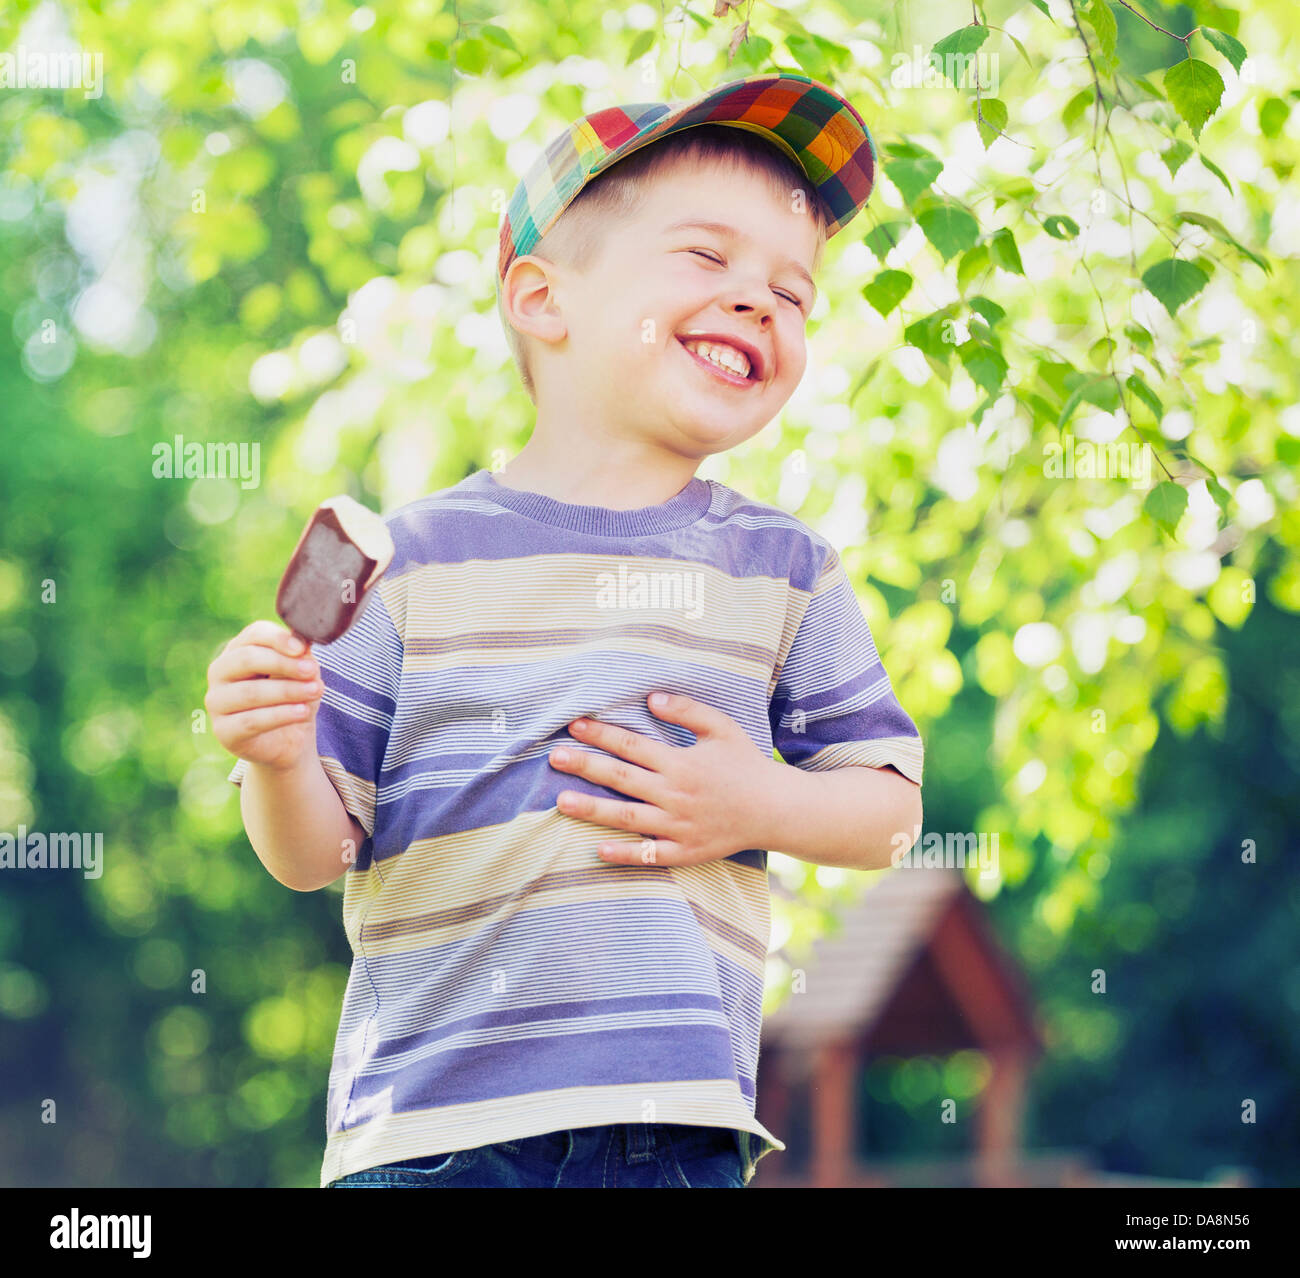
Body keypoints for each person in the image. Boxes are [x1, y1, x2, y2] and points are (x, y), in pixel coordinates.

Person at [206, 73, 925, 1189]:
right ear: (543, 300)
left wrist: (759, 805)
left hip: (674, 1135)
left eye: (793, 292)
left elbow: (888, 815)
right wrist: (277, 754)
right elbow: (310, 855)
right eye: (707, 258)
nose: (759, 303)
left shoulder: (784, 568)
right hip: (432, 1138)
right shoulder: (407, 563)